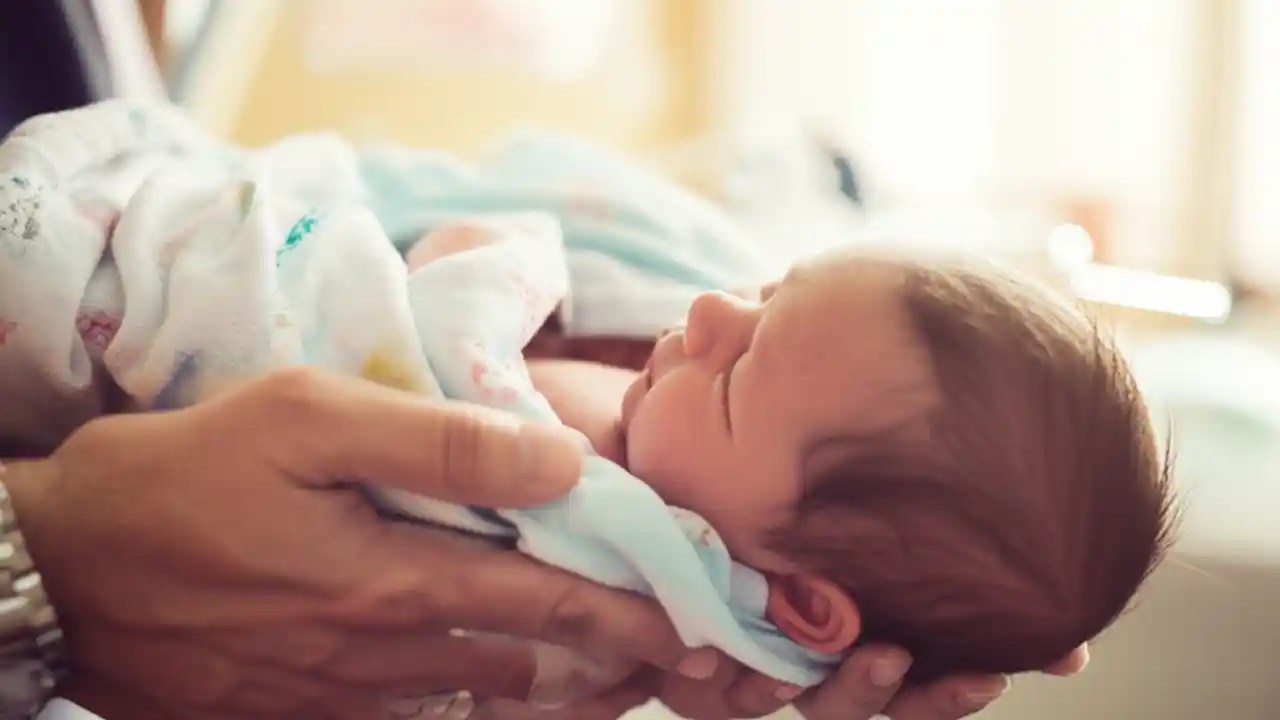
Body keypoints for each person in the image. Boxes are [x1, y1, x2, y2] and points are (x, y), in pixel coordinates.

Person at [0, 367, 1078, 720]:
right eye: (758, 302)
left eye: (742, 374)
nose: (702, 308)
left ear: (803, 607)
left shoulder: (618, 597)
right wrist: (38, 555)